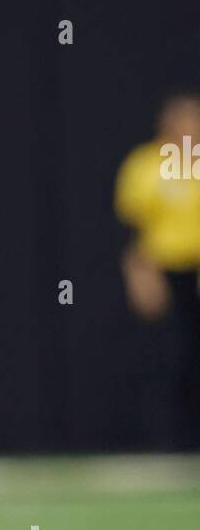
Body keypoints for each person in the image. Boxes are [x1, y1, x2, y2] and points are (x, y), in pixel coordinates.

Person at [115, 93, 200, 448]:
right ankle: (167, 443)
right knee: (169, 355)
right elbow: (129, 230)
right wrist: (140, 273)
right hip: (163, 271)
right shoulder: (146, 165)